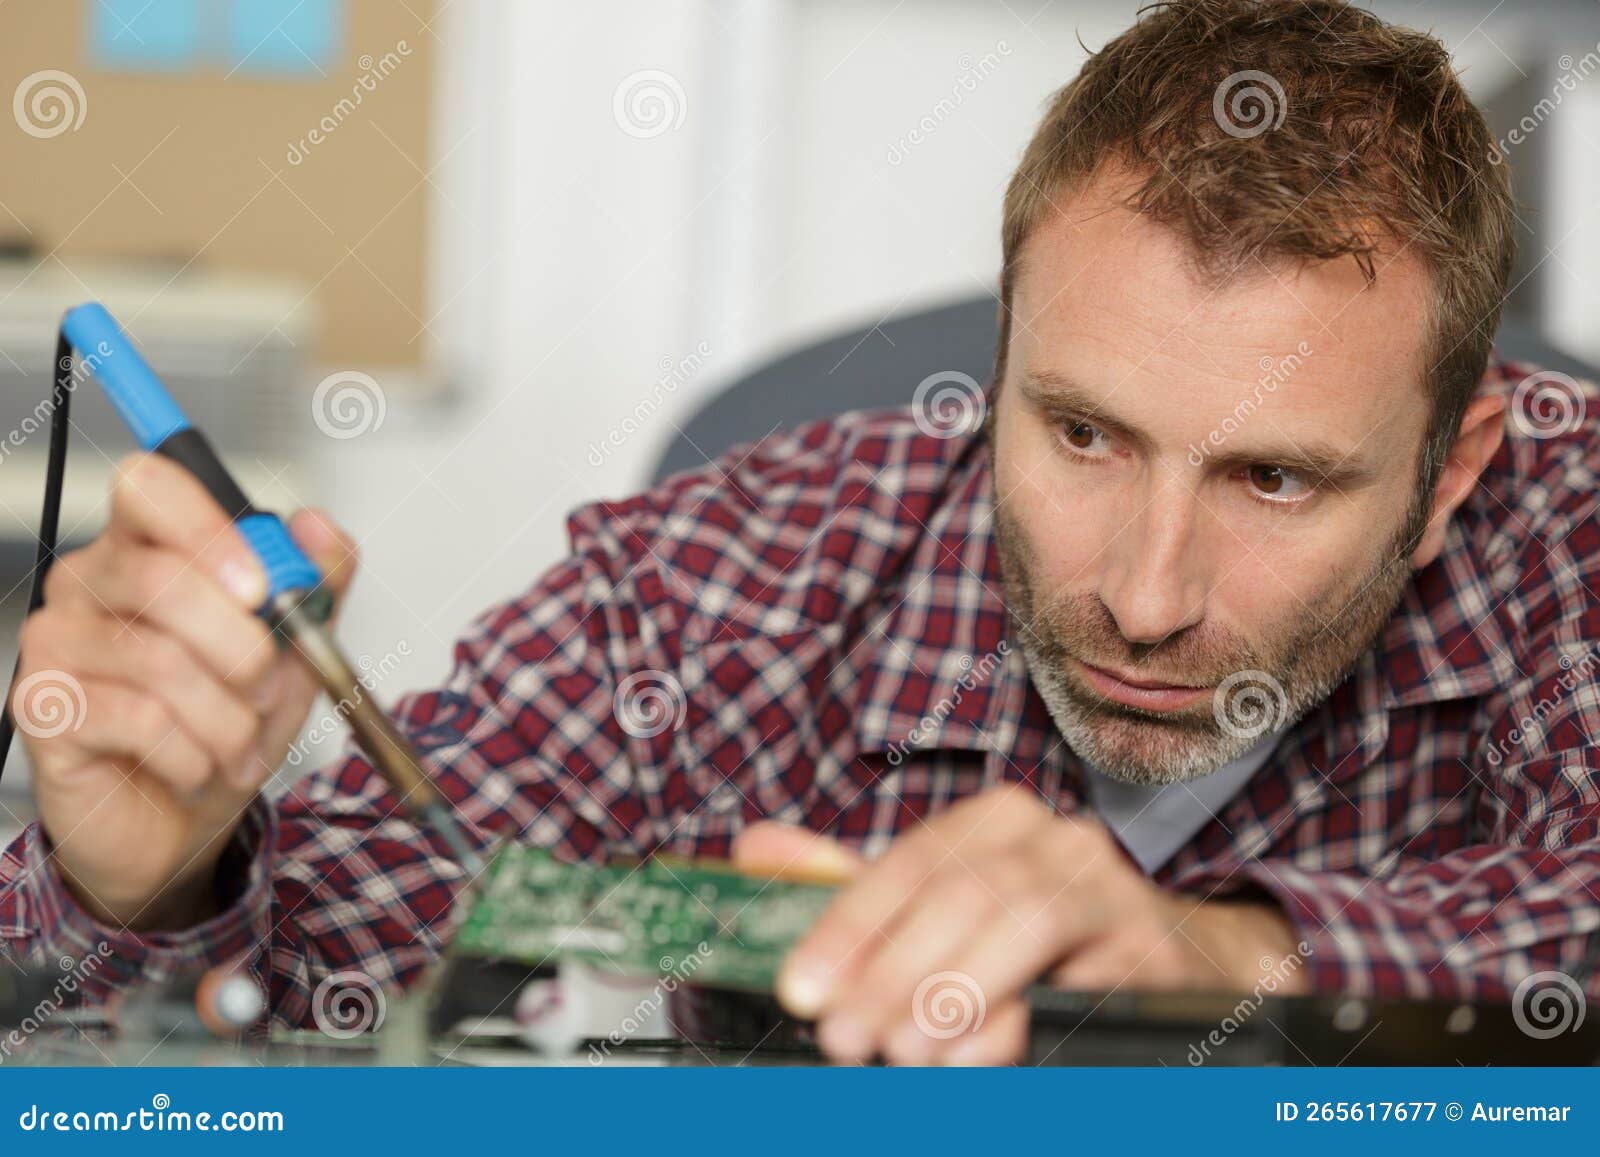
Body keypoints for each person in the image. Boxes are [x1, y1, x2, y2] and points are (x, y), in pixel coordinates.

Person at [4, 0, 1596, 1065]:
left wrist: (1202, 948)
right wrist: (153, 878)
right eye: (1083, 432)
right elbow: (371, 920)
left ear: (1455, 464)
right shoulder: (719, 590)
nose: (1144, 593)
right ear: (1002, 369)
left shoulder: (1565, 519)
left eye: (1275, 481)